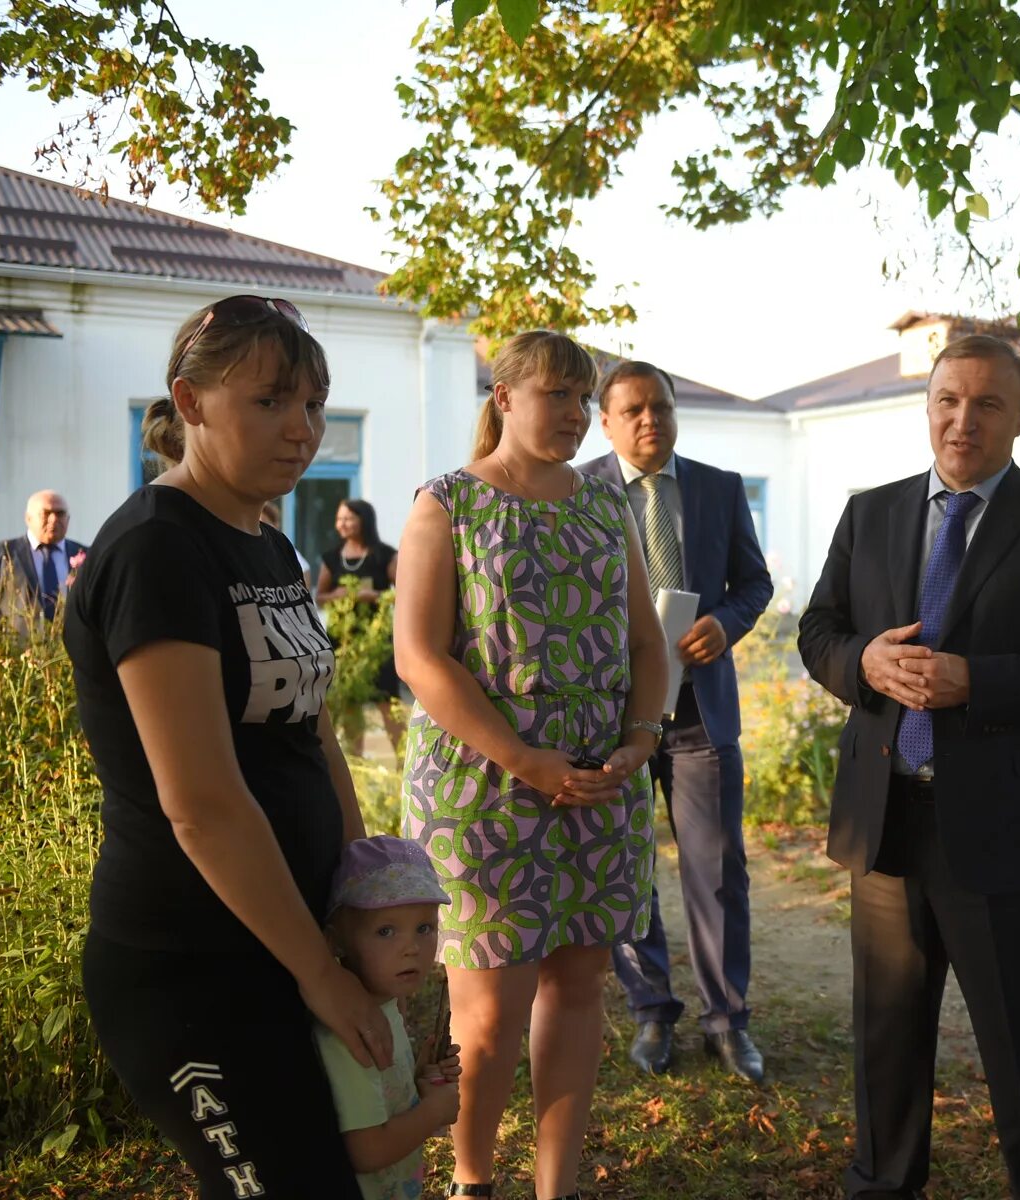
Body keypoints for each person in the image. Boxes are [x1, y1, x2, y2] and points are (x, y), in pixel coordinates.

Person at [64, 295, 390, 1199]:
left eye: (316, 404)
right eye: (271, 402)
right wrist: (321, 972)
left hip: (284, 944)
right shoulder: (158, 550)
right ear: (192, 402)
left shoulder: (269, 544)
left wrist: (358, 893)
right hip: (191, 967)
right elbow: (201, 806)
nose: (303, 429)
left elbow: (313, 730)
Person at [798, 333, 1020, 1199]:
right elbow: (818, 633)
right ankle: (883, 1185)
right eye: (948, 399)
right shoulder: (871, 513)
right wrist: (863, 662)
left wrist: (974, 681)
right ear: (928, 404)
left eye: (986, 403)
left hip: (1010, 835)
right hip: (887, 820)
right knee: (887, 1041)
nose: (962, 420)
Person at [396, 330, 670, 1200]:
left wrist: (643, 737)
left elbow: (644, 641)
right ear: (504, 394)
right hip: (484, 792)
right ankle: (473, 1182)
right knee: (489, 1016)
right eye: (558, 394)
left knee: (579, 988)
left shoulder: (603, 505)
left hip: (597, 784)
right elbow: (419, 657)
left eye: (584, 398)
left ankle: (558, 1186)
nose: (578, 414)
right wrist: (523, 760)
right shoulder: (446, 503)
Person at [578, 361, 774, 1082]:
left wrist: (726, 621)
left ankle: (729, 1020)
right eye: (631, 410)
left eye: (659, 406)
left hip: (700, 713)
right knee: (626, 871)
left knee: (717, 870)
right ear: (606, 420)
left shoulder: (720, 489)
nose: (648, 420)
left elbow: (754, 582)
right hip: (612, 717)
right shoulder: (579, 491)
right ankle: (652, 1011)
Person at [317, 834, 462, 1200]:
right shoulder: (348, 1034)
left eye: (424, 928)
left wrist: (418, 1083)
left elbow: (381, 1104)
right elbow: (367, 1150)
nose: (412, 947)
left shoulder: (384, 1005)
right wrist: (432, 1111)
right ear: (336, 941)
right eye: (386, 931)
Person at [317, 498, 406, 758]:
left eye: (348, 518)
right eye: (339, 519)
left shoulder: (385, 555)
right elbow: (319, 597)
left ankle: (401, 760)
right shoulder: (332, 558)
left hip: (376, 640)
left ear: (363, 520)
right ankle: (355, 761)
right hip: (343, 640)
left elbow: (406, 592)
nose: (341, 524)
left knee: (386, 701)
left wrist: (375, 597)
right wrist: (338, 595)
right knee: (349, 704)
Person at [0, 490, 87, 620]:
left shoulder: (85, 556)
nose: (53, 520)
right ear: (28, 518)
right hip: (16, 639)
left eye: (60, 514)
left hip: (71, 638)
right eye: (46, 513)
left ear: (68, 519)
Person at [260, 499, 313, 591]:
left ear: (276, 525)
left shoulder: (288, 554)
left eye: (263, 523)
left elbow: (305, 585)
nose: (259, 528)